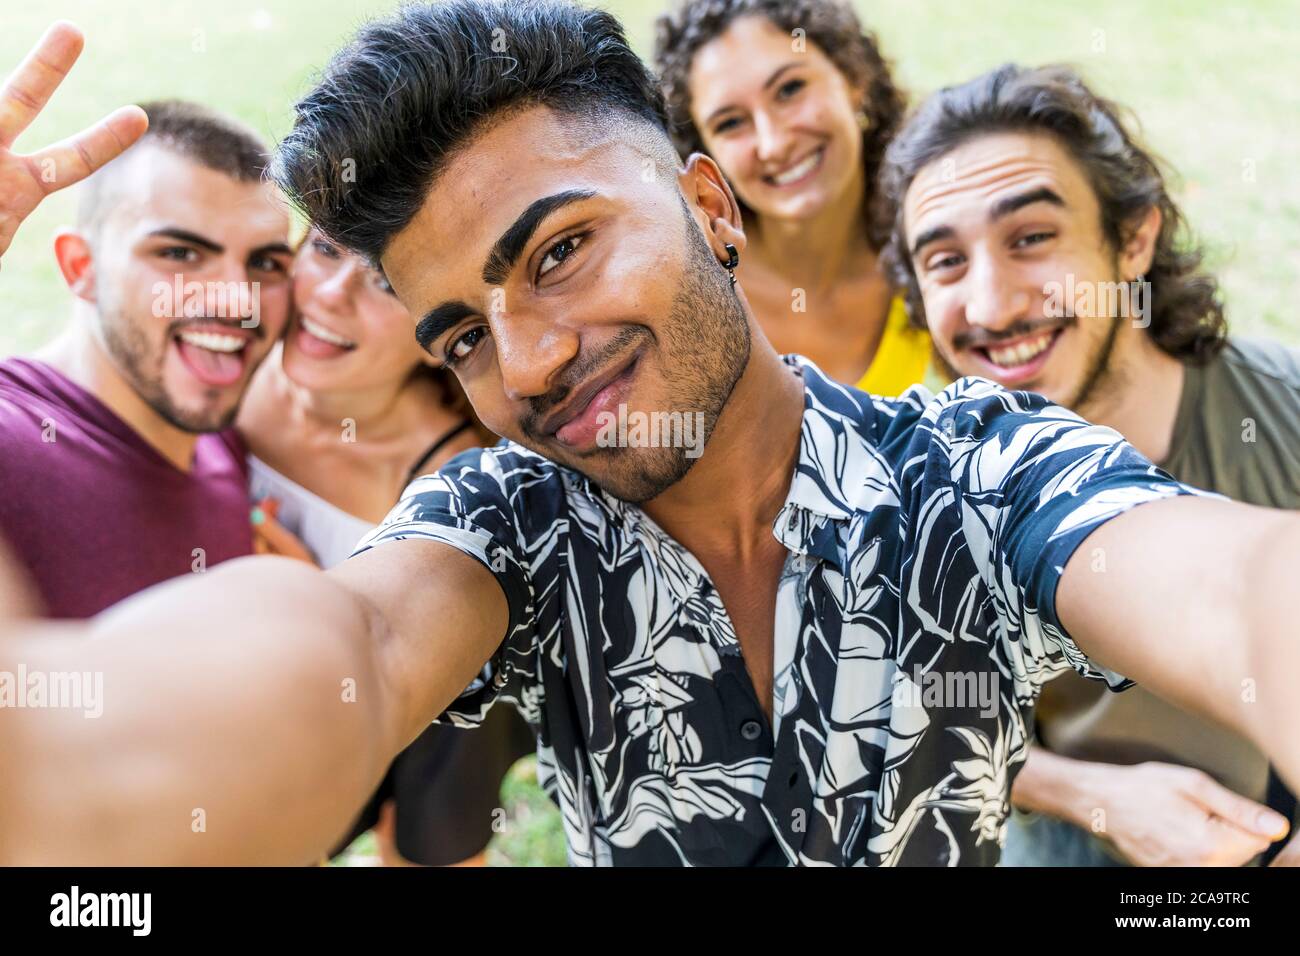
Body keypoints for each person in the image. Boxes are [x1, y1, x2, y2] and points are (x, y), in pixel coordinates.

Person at [2, 1, 1299, 868]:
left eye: (560, 251)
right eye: (461, 332)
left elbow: (1244, 591)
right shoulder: (506, 533)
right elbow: (351, 645)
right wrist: (51, 755)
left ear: (706, 206)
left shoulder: (973, 468)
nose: (527, 361)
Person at [878, 62, 1300, 866]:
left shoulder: (1282, 410)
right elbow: (908, 708)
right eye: (945, 262)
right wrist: (1097, 797)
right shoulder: (917, 492)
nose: (994, 307)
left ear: (1132, 238)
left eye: (1031, 239)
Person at [237, 228, 533, 867]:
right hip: (239, 708)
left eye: (382, 281)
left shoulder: (458, 485)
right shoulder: (223, 370)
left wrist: (309, 598)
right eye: (323, 249)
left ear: (440, 334)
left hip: (411, 716)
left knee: (426, 848)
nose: (331, 294)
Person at [0, 23, 292, 619]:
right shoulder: (13, 436)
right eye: (180, 254)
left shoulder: (226, 449)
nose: (237, 300)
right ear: (81, 267)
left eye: (265, 262)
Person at [654, 0, 935, 395]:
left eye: (790, 89)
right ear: (705, 152)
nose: (774, 143)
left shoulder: (935, 251)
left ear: (854, 78)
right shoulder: (693, 294)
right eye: (731, 122)